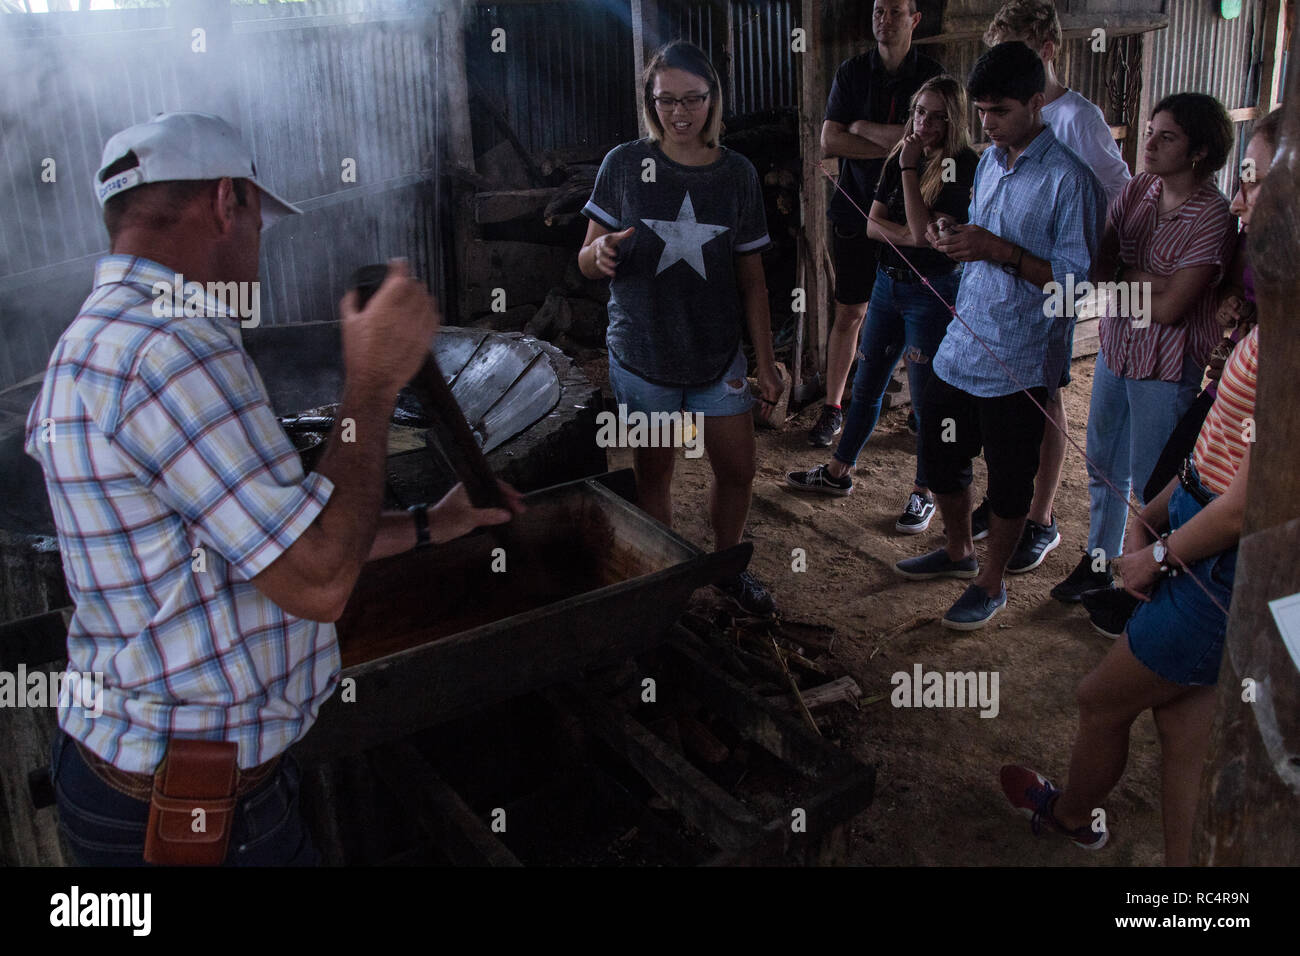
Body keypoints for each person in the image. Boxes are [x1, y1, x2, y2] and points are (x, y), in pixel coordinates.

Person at [24, 112, 521, 866]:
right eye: (260, 221)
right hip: (190, 810)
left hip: (144, 782)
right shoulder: (172, 349)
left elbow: (263, 540)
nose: (258, 251)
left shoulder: (93, 341)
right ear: (228, 201)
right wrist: (373, 385)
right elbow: (318, 578)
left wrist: (432, 524)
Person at [1001, 313, 1258, 864]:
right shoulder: (1284, 313)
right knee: (1183, 734)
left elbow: (1241, 508)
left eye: (1253, 215)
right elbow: (1214, 444)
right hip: (1200, 544)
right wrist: (1153, 514)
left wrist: (1159, 556)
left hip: (1213, 571)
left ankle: (1070, 816)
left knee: (1100, 700)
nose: (1237, 218)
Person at [893, 42, 1105, 630]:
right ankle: (960, 555)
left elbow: (1073, 284)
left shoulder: (1070, 180)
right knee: (941, 459)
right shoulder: (988, 161)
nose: (986, 123)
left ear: (1037, 103)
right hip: (963, 342)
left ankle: (991, 584)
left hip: (1020, 357)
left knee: (1011, 479)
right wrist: (953, 231)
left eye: (999, 111)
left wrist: (997, 250)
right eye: (981, 111)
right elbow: (984, 236)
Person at [579, 40, 783, 615]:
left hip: (719, 353)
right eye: (666, 99)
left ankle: (726, 566)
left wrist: (764, 361)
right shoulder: (624, 164)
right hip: (643, 352)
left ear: (713, 99)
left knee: (738, 468)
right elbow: (586, 256)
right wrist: (598, 259)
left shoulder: (736, 174)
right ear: (651, 100)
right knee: (654, 473)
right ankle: (661, 583)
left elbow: (753, 280)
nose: (680, 112)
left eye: (692, 98)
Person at [967, 0, 1133, 573]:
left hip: (1050, 277)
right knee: (1007, 393)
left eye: (1013, 54)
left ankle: (1040, 517)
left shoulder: (1077, 121)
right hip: (1006, 278)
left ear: (1046, 53)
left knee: (1044, 391)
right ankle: (1005, 497)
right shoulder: (1008, 123)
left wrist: (1087, 269)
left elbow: (1117, 193)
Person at [1051, 93, 1236, 603]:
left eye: (1166, 136)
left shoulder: (1214, 216)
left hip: (1169, 365)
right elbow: (1099, 268)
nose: (1148, 143)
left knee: (1155, 486)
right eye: (1151, 131)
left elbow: (1175, 308)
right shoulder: (1138, 189)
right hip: (1118, 348)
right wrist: (1147, 280)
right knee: (1102, 465)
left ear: (1199, 151)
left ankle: (1148, 583)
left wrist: (1130, 281)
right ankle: (1097, 563)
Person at [786, 75, 979, 536]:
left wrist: (911, 177)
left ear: (954, 119)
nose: (925, 123)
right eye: (919, 112)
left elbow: (915, 231)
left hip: (930, 292)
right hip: (886, 284)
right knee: (867, 381)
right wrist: (912, 231)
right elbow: (877, 226)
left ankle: (923, 493)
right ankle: (837, 472)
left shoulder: (961, 164)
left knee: (927, 400)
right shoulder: (902, 154)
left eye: (936, 116)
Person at [811, 0, 944, 447]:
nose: (884, 20)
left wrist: (862, 126)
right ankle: (833, 407)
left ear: (915, 19)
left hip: (912, 211)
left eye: (894, 12)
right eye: (878, 10)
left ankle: (922, 412)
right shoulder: (852, 72)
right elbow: (829, 139)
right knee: (850, 311)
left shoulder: (931, 75)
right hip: (854, 210)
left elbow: (927, 142)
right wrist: (896, 143)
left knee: (917, 312)